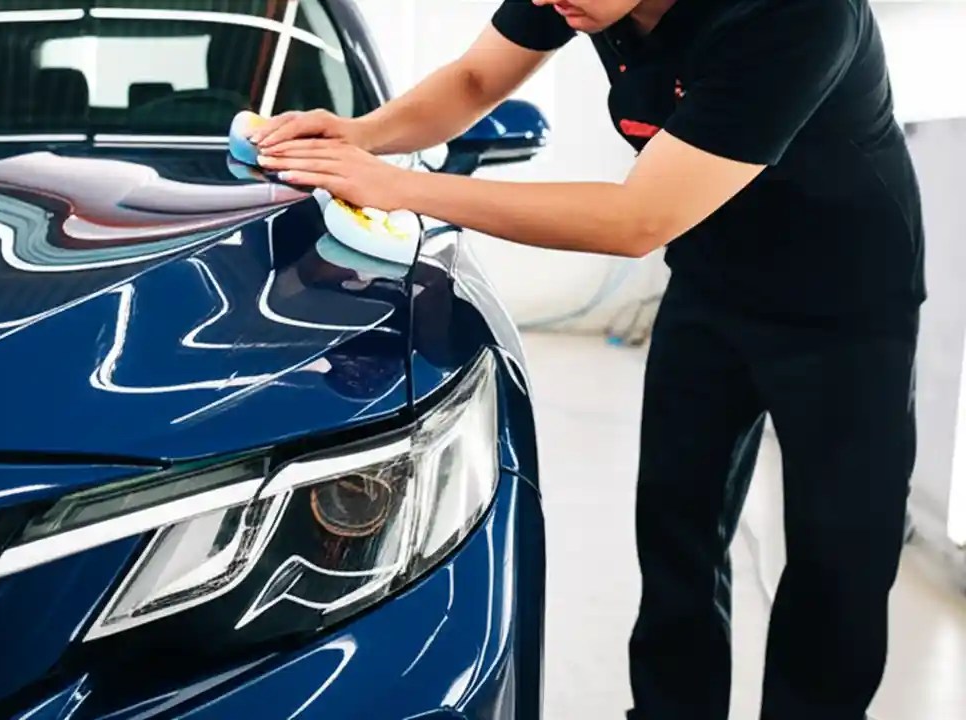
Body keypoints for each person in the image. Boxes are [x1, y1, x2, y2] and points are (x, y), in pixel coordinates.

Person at [250, 1, 925, 719]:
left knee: (838, 558)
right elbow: (478, 78)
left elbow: (637, 219)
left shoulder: (794, 15)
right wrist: (361, 136)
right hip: (712, 279)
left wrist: (402, 187)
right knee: (677, 531)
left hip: (845, 304)